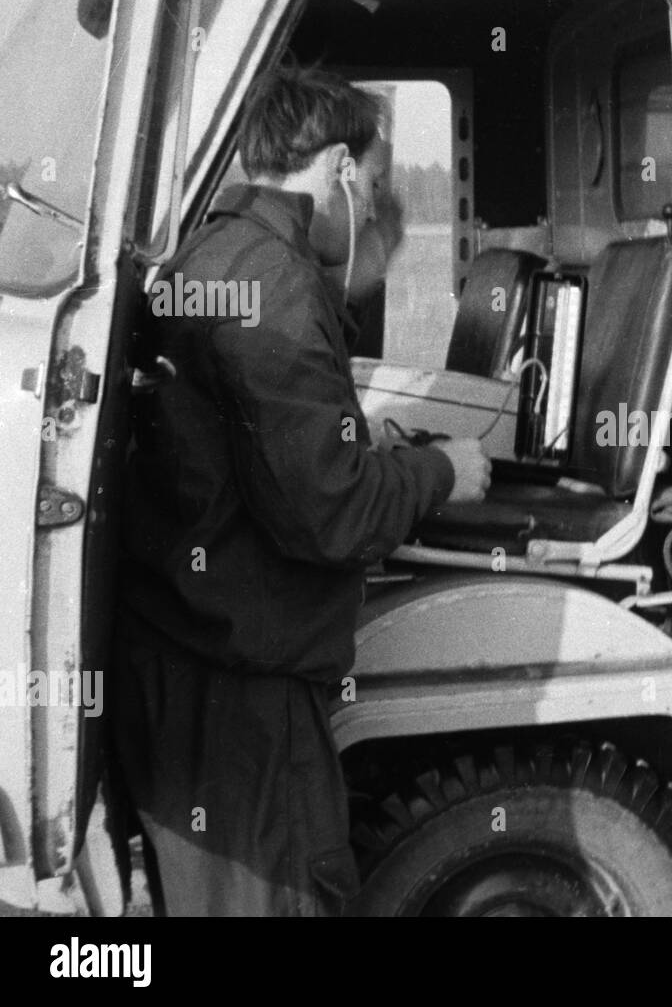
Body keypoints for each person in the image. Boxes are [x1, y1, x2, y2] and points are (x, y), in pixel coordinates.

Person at [109, 65, 491, 916]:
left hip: (181, 657)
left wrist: (361, 445)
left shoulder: (207, 252)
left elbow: (256, 455)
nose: (378, 200)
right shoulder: (278, 282)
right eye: (379, 182)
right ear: (340, 170)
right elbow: (332, 513)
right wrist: (441, 472)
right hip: (244, 693)